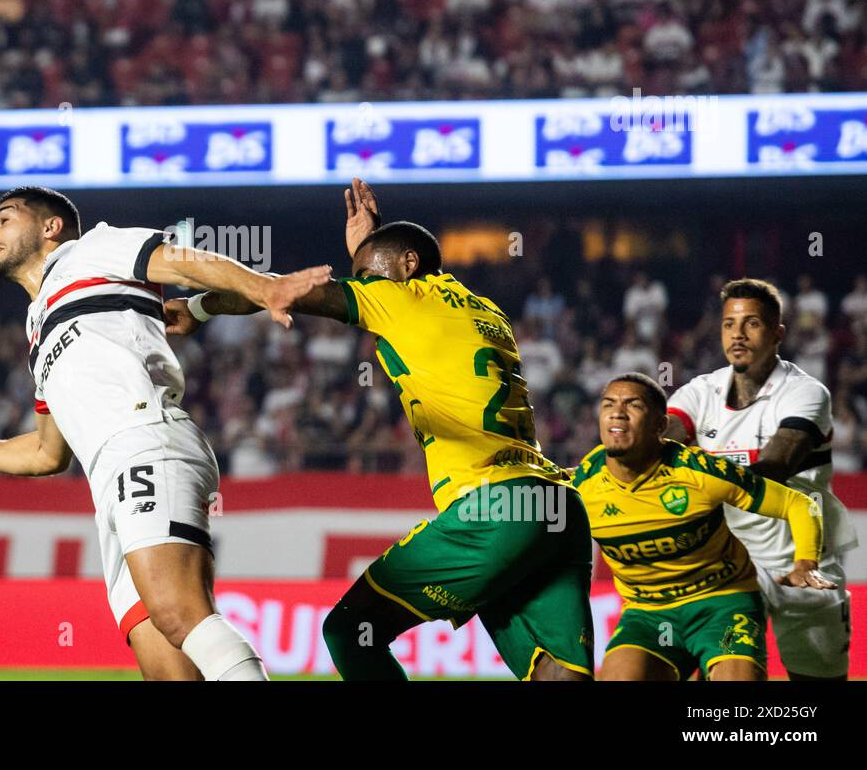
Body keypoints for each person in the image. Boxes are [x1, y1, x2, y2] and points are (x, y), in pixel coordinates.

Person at [166, 179, 594, 680]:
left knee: (350, 628)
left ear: (408, 267)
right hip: (555, 506)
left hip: (496, 509)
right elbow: (397, 288)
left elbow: (285, 290)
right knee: (556, 674)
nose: (363, 286)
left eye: (367, 275)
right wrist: (368, 252)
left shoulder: (400, 299)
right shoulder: (484, 310)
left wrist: (199, 308)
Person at [0, 186, 330, 681]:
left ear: (50, 228)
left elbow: (181, 262)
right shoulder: (37, 321)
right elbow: (49, 452)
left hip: (147, 440)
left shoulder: (92, 248)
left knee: (180, 614)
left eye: (4, 219)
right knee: (168, 671)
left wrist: (263, 288)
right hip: (109, 480)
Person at [573, 373, 829, 680]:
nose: (617, 412)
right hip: (648, 613)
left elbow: (798, 504)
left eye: (634, 405)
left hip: (723, 604)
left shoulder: (701, 472)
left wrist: (805, 562)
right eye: (608, 404)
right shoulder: (581, 485)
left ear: (660, 426)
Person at [664, 278, 858, 680]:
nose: (737, 334)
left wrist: (697, 477)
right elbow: (660, 441)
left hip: (804, 566)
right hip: (728, 568)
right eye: (729, 324)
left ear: (777, 333)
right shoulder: (699, 392)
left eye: (751, 324)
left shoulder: (806, 392)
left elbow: (777, 464)